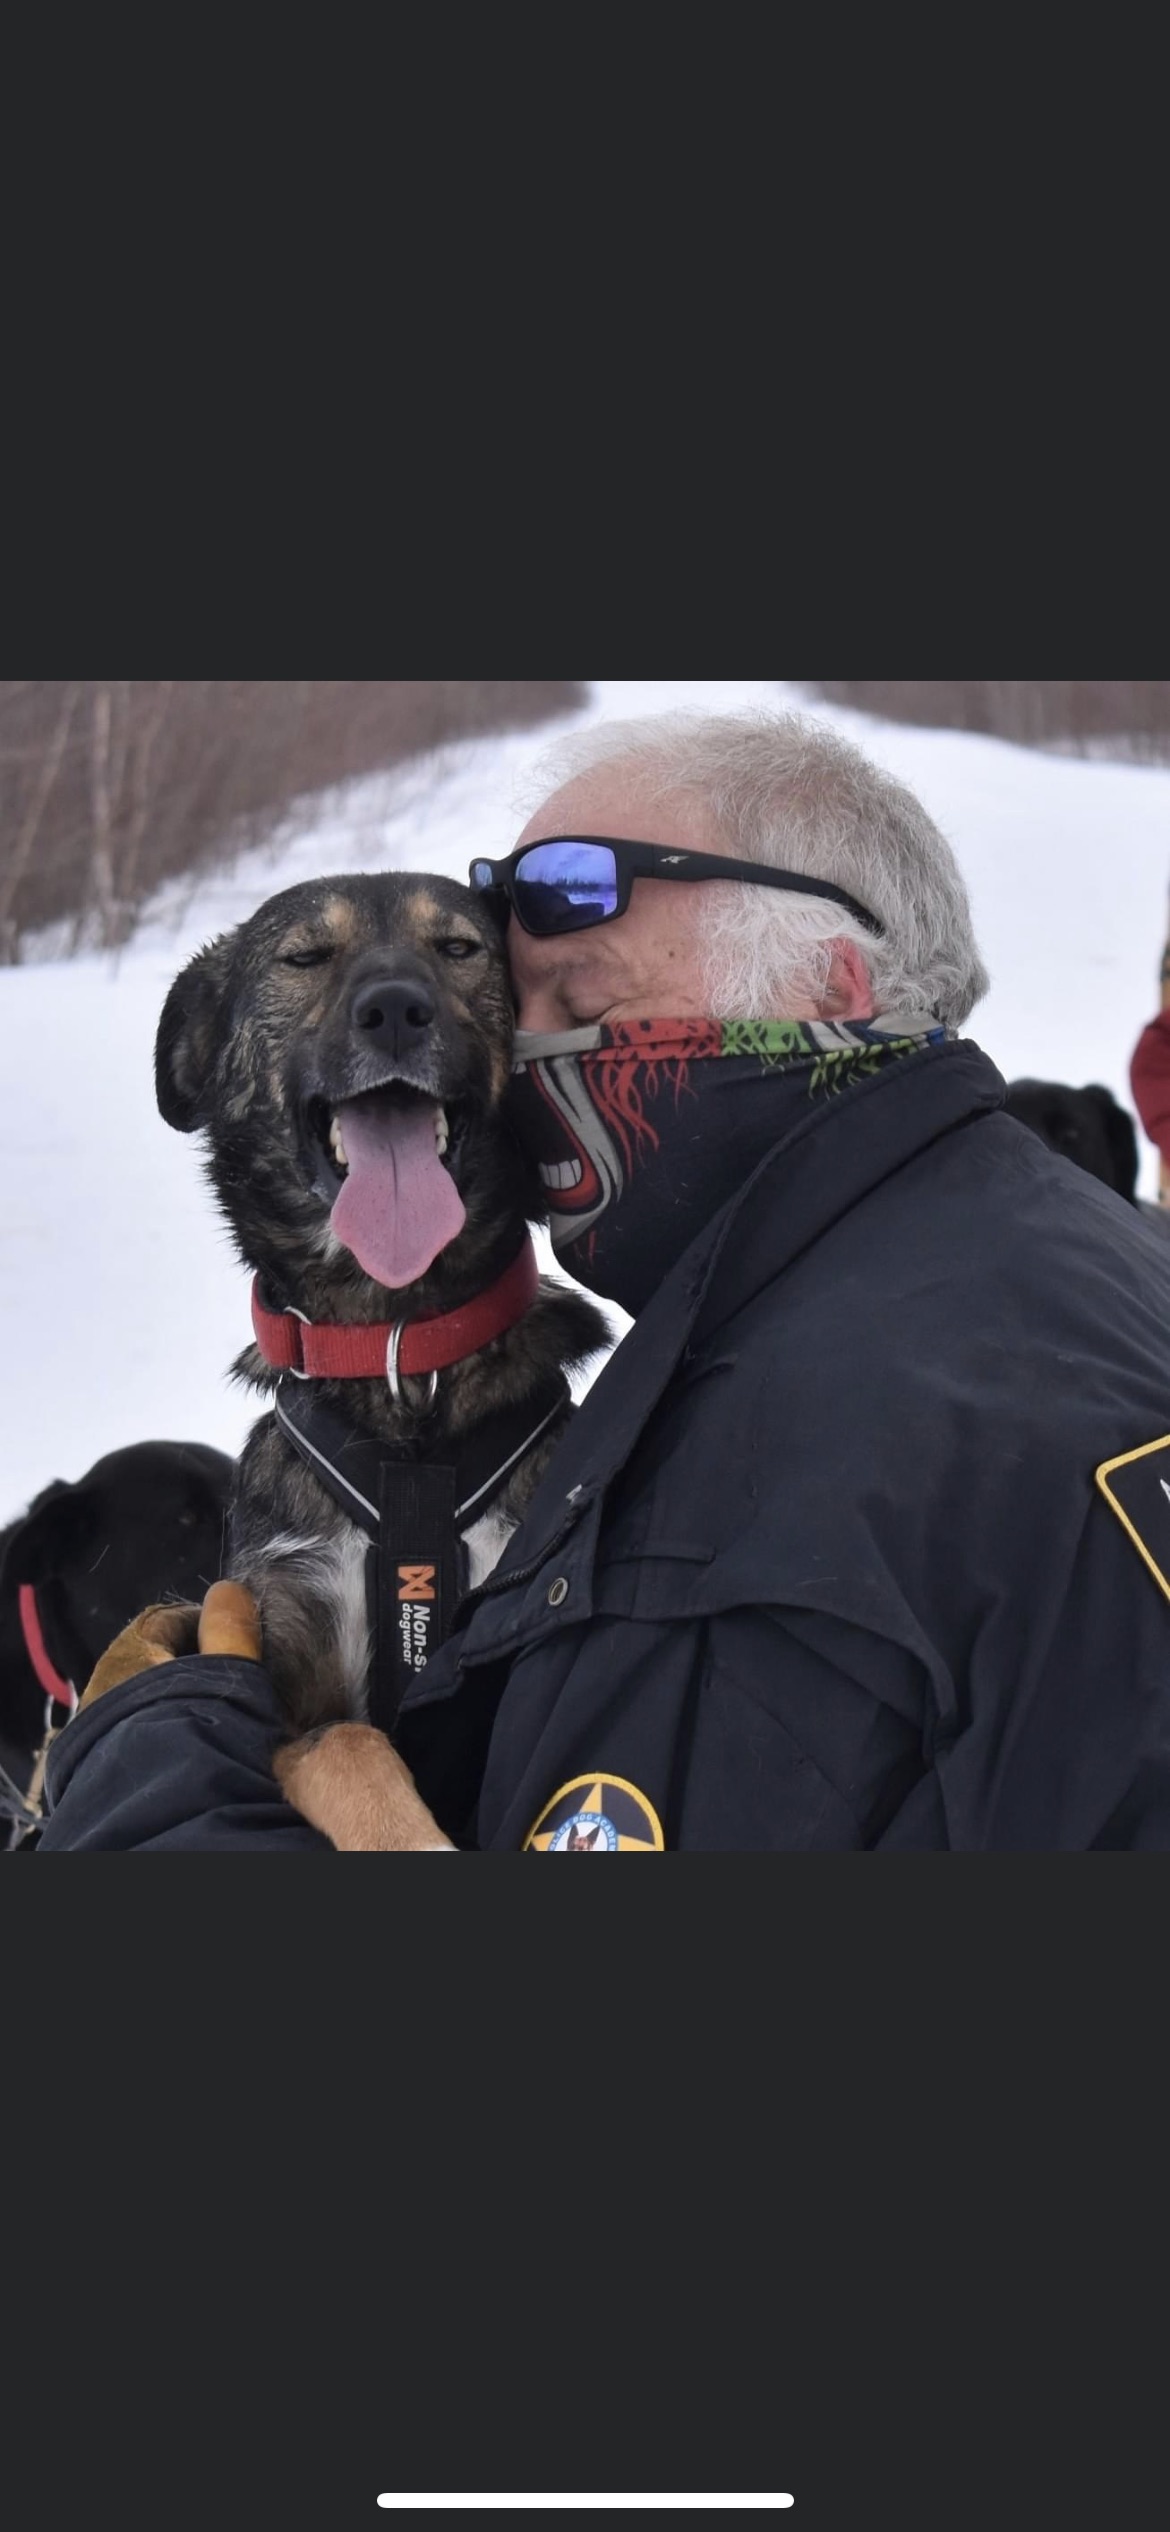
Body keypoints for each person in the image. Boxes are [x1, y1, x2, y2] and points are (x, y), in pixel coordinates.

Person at [36, 709, 1170, 1850]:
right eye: (526, 1023)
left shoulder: (832, 1444)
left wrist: (158, 1784)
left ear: (830, 989)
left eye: (582, 1007)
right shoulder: (832, 1301)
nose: (528, 1071)